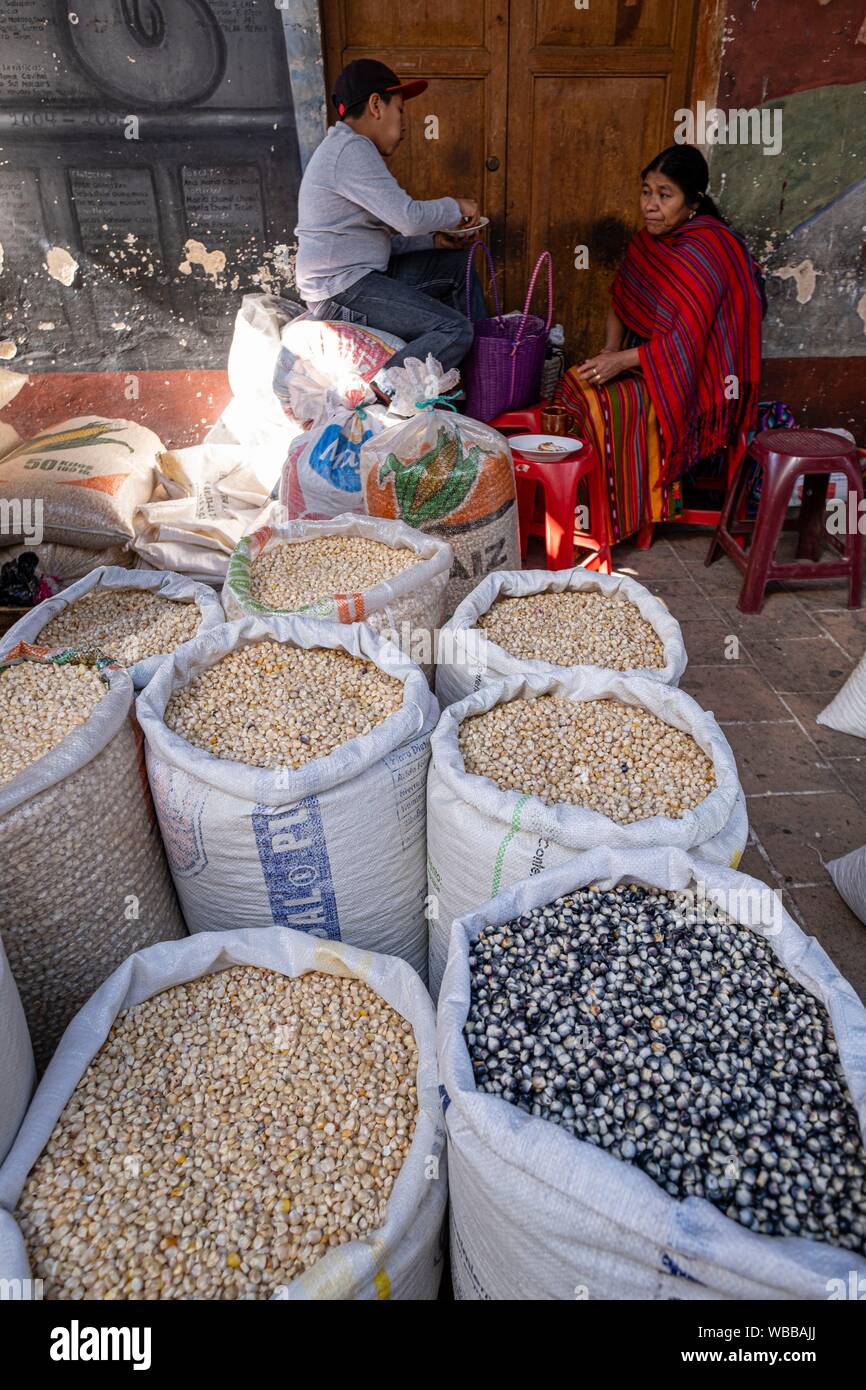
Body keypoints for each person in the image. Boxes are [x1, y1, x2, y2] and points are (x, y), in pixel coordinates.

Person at [554, 145, 765, 545]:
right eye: (646, 191)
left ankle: (636, 510)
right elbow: (621, 297)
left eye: (664, 195)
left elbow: (689, 341)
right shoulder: (648, 241)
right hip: (653, 361)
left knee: (607, 406)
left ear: (693, 202)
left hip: (701, 373)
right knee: (575, 387)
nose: (650, 205)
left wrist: (620, 362)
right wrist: (608, 351)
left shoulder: (708, 248)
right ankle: (589, 515)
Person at [294, 59, 487, 388]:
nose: (405, 124)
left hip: (358, 277)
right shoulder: (351, 149)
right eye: (400, 110)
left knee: (459, 267)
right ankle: (377, 394)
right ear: (375, 105)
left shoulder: (347, 149)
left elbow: (375, 241)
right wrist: (456, 207)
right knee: (453, 330)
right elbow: (408, 219)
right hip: (340, 291)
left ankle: (481, 381)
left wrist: (434, 242)